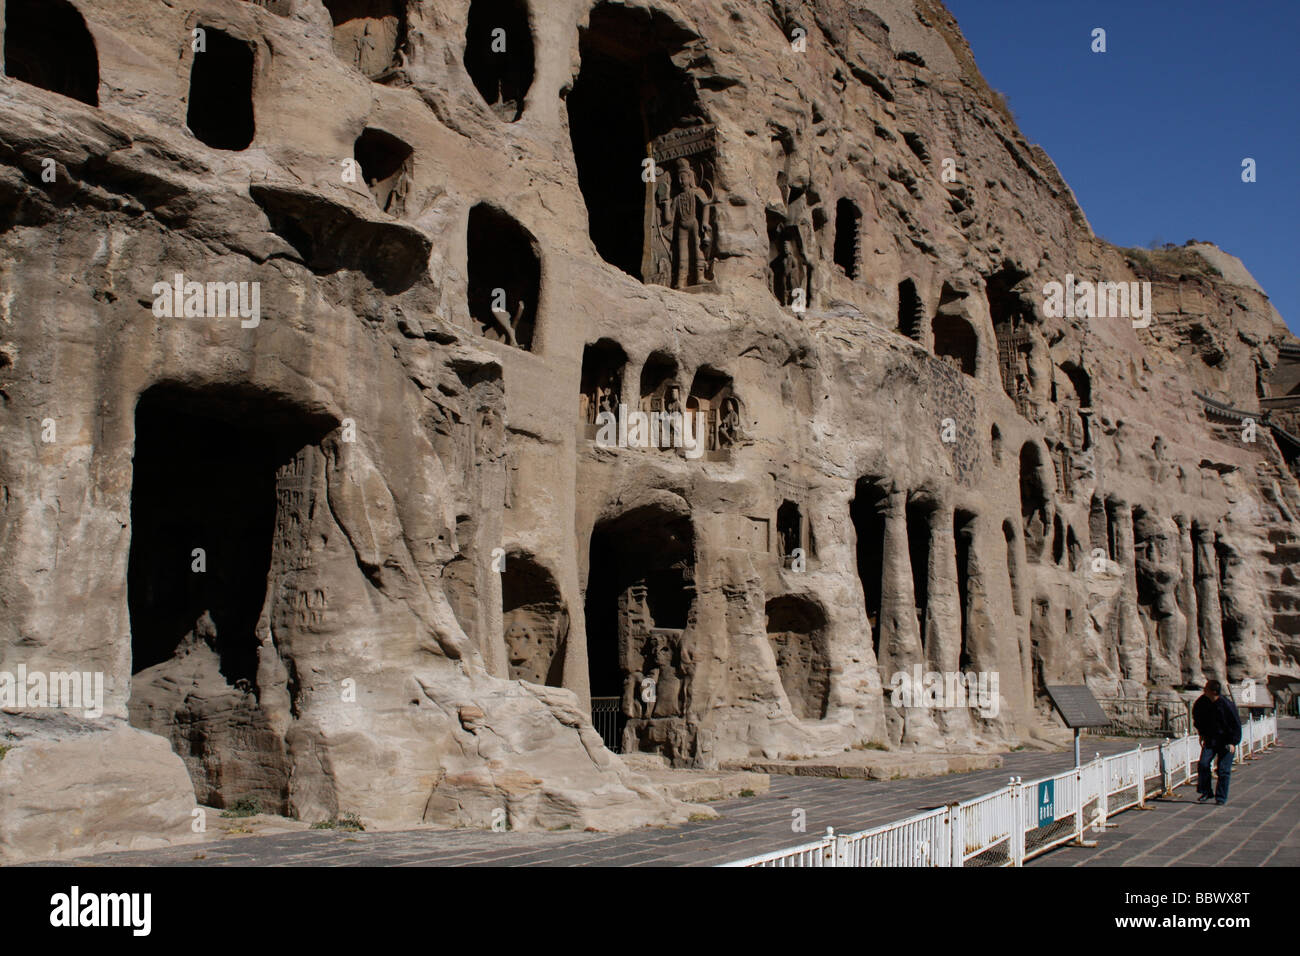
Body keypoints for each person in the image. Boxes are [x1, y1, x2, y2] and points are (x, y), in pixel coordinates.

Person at [1191, 680, 1242, 805]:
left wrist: (1233, 742)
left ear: (1213, 691)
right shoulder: (1202, 702)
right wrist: (1201, 733)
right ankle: (1206, 791)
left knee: (1223, 770)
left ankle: (1221, 797)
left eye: (1206, 688)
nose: (1204, 690)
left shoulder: (1227, 705)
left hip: (1226, 741)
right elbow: (1197, 716)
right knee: (1203, 764)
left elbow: (1236, 725)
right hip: (1211, 739)